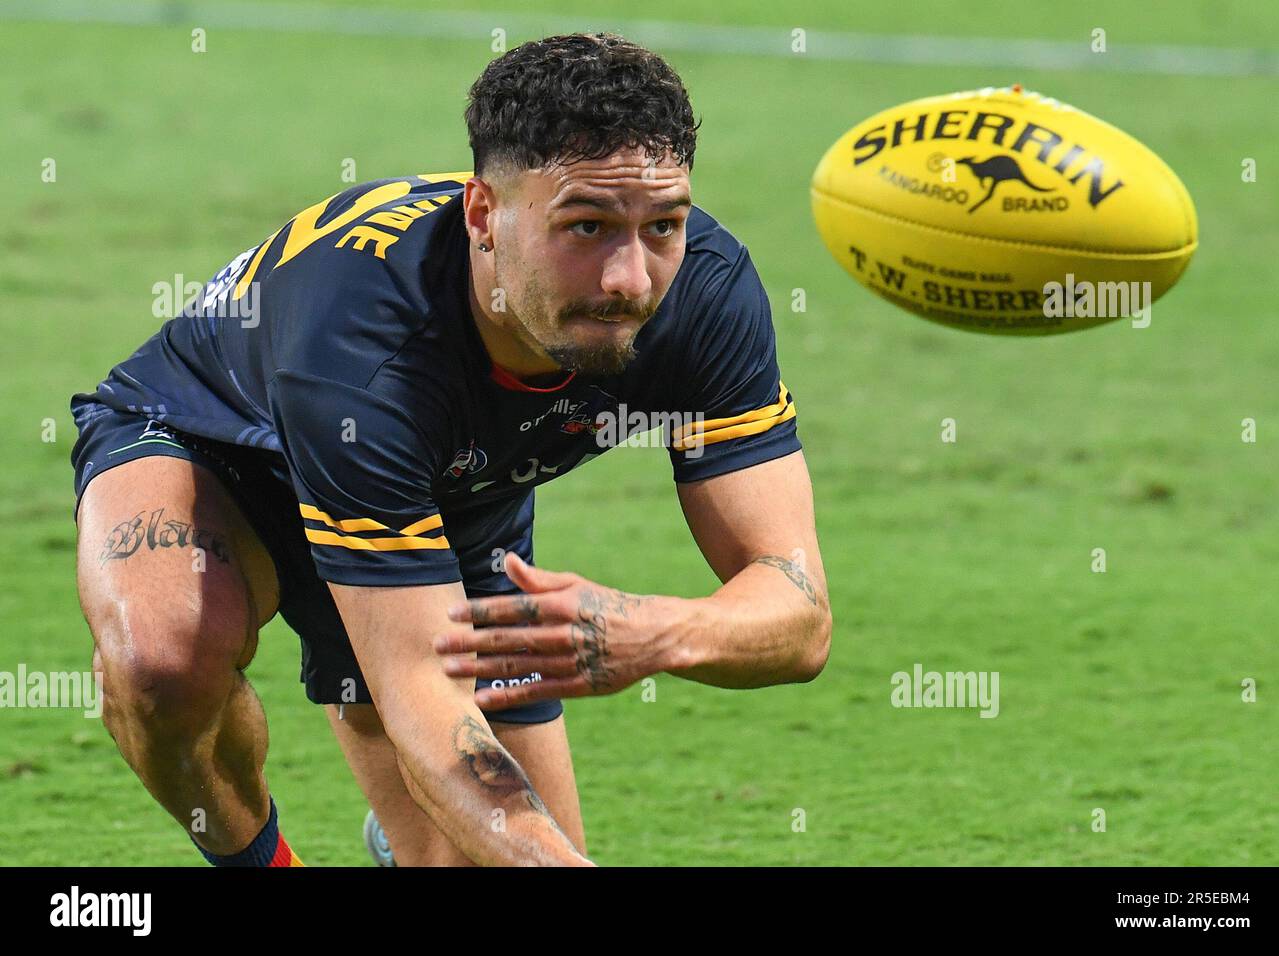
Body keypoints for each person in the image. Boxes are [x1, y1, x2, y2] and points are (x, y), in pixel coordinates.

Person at [69, 32, 831, 867]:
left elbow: (799, 619)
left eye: (664, 225)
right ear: (483, 216)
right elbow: (425, 701)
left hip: (447, 492)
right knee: (162, 661)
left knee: (478, 849)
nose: (630, 279)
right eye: (586, 226)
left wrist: (656, 631)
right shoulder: (363, 346)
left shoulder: (706, 295)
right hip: (214, 437)